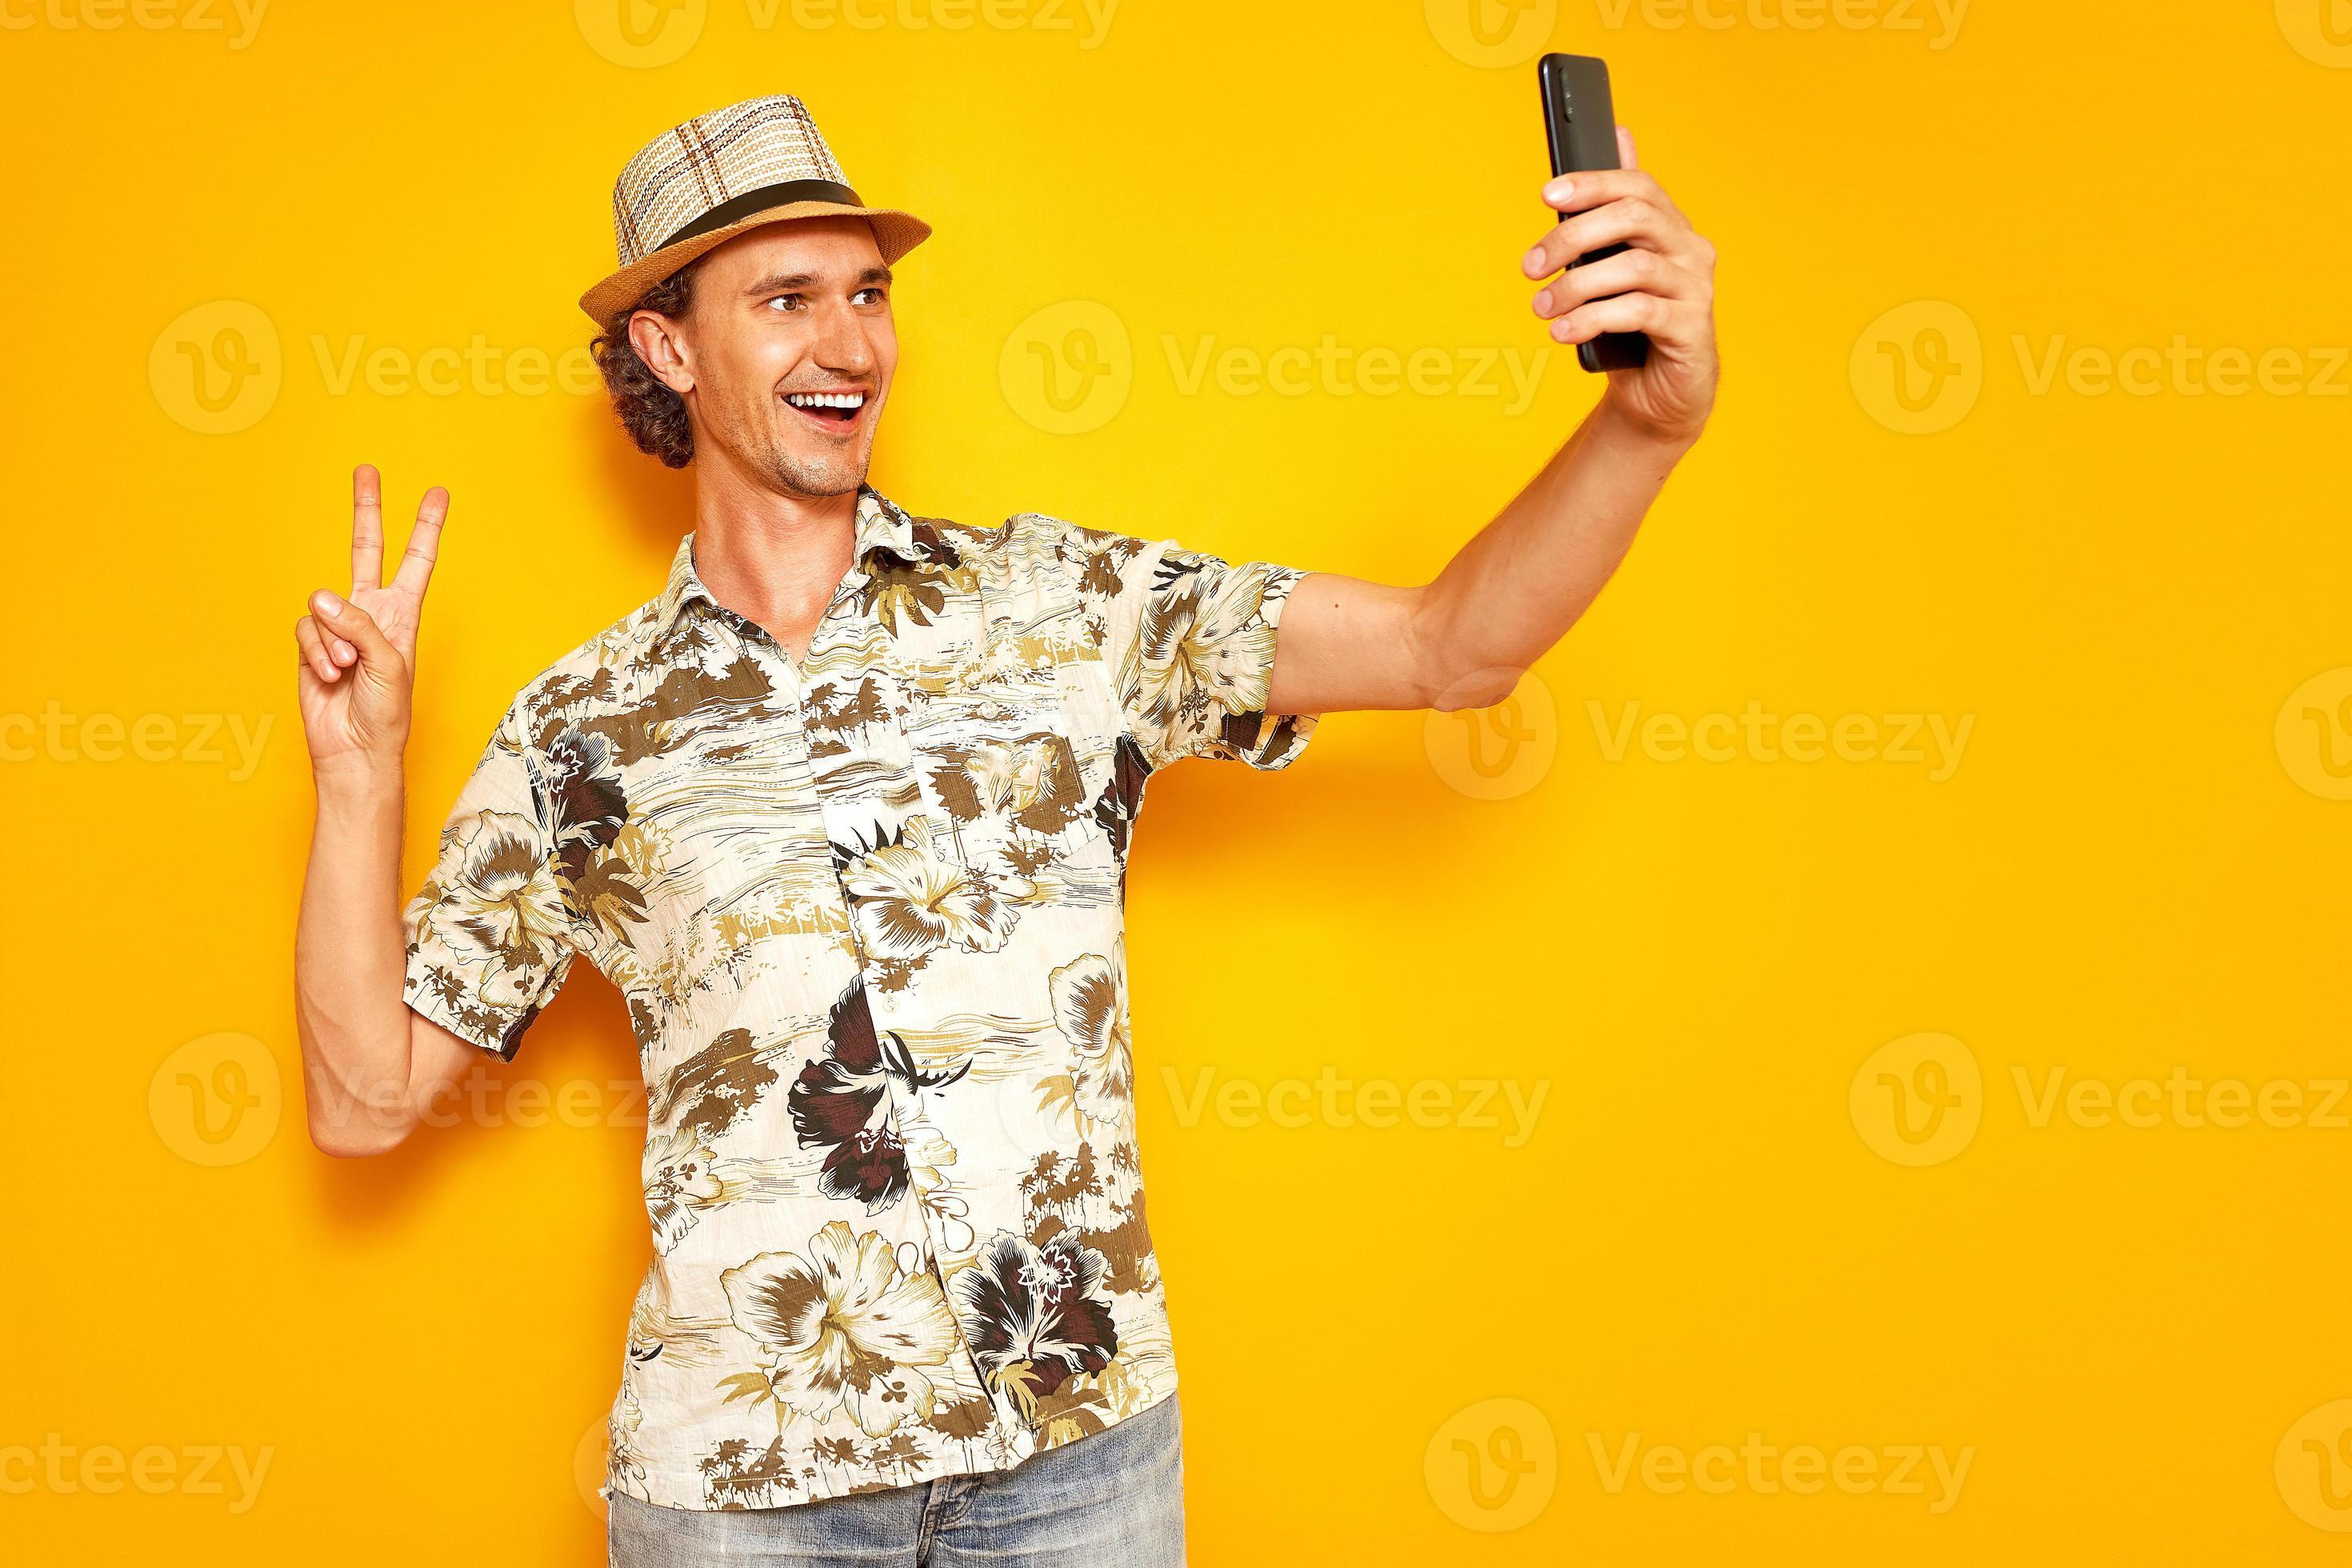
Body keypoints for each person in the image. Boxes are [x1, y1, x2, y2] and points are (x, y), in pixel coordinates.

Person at [290, 94, 1717, 1566]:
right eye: (786, 300)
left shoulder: (1066, 613)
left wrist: (1646, 423)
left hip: (1076, 1464)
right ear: (668, 347)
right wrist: (360, 777)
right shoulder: (584, 729)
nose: (848, 345)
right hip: (739, 1500)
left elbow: (1447, 651)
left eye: (867, 293)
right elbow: (365, 1100)